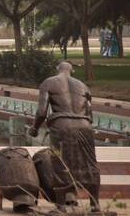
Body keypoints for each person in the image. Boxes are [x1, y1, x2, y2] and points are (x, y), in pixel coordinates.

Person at [29, 61, 101, 205]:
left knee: (59, 163)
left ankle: (61, 206)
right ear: (72, 71)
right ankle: (95, 206)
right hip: (84, 125)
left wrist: (35, 128)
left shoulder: (48, 83)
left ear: (57, 69)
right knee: (90, 164)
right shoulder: (83, 86)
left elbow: (42, 112)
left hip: (61, 126)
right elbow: (90, 115)